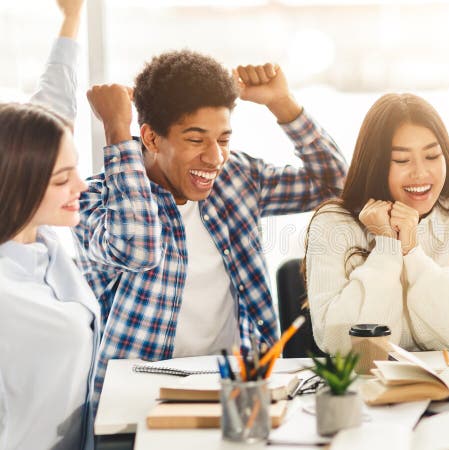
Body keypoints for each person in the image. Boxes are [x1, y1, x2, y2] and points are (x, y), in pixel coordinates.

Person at [74, 50, 348, 400]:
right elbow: (138, 249)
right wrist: (115, 130)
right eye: (195, 139)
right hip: (138, 399)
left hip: (237, 385)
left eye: (223, 139)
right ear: (151, 138)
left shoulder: (238, 178)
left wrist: (283, 104)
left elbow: (335, 184)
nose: (215, 158)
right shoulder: (93, 199)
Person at [305, 93, 449, 354]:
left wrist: (412, 253)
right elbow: (343, 346)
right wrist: (386, 247)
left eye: (432, 156)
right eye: (401, 160)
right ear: (375, 164)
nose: (421, 172)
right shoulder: (332, 224)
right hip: (367, 388)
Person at [0, 104, 98, 449]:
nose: (81, 185)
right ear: (18, 183)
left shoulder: (47, 248)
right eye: (62, 179)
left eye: (76, 170)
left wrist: (69, 45)